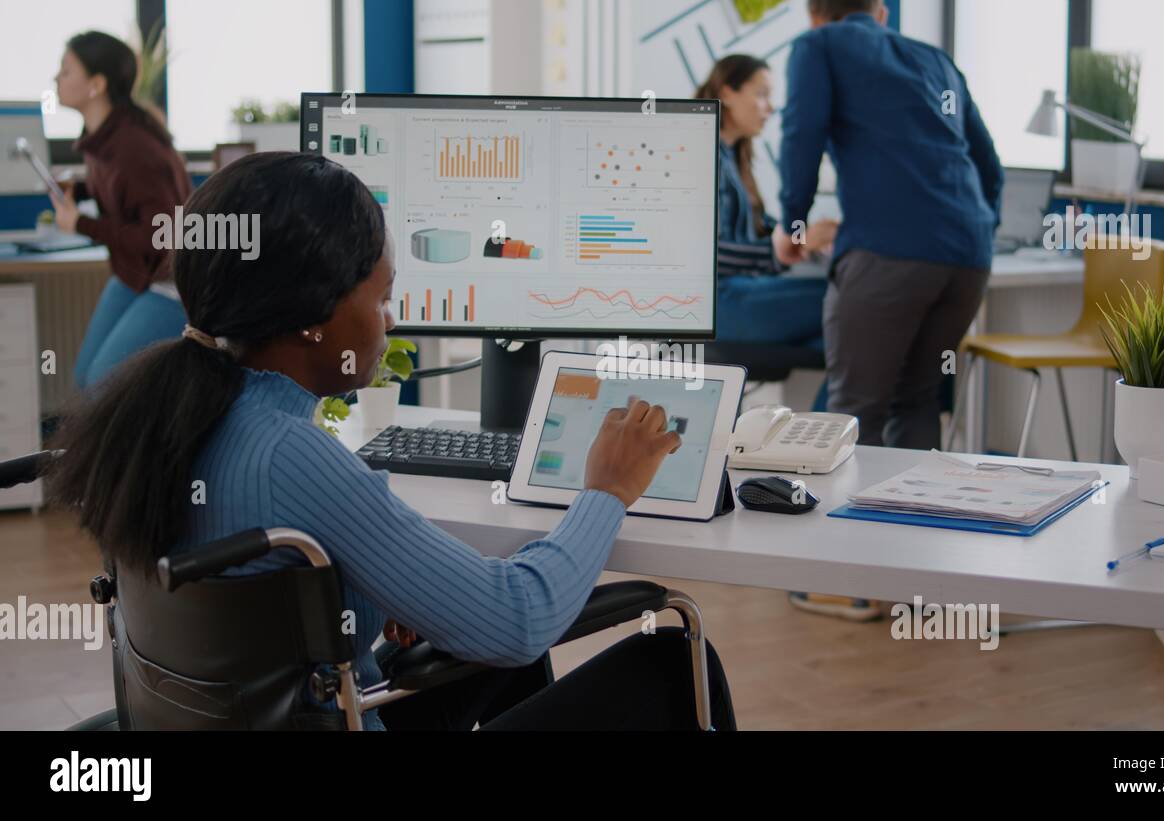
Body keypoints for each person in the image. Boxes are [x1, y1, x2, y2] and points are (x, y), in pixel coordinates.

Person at [46, 152, 738, 731]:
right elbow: (518, 617)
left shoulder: (154, 416)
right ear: (316, 316)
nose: (389, 319)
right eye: (382, 297)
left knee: (493, 649)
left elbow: (248, 620)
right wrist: (607, 489)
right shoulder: (290, 455)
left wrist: (369, 604)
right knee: (674, 659)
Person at [774, 0, 1003, 450]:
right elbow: (990, 167)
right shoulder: (937, 60)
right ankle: (910, 517)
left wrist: (793, 227)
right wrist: (978, 233)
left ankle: (844, 523)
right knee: (917, 399)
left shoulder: (816, 45)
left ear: (813, 14)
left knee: (855, 410)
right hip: (969, 259)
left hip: (889, 251)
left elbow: (802, 135)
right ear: (881, 13)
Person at [49, 31, 193, 389]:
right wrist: (79, 189)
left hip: (172, 281)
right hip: (137, 273)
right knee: (86, 377)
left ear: (96, 84)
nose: (56, 78)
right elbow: (121, 189)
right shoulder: (104, 136)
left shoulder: (133, 145)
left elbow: (160, 233)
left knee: (102, 383)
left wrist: (81, 223)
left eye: (66, 71)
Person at [694, 55, 838, 350]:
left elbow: (763, 226)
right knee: (852, 299)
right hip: (718, 304)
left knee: (844, 321)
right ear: (726, 93)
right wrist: (784, 250)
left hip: (740, 291)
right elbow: (705, 255)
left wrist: (803, 237)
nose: (770, 107)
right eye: (761, 95)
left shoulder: (732, 158)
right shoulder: (701, 155)